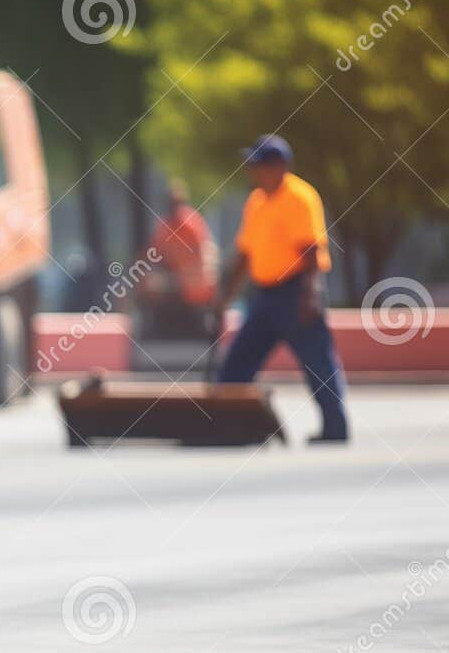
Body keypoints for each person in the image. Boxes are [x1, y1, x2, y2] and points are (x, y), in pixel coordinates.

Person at [216, 134, 348, 444]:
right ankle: (227, 423)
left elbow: (312, 252)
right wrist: (225, 297)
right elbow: (245, 254)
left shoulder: (300, 197)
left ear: (280, 166)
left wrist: (310, 294)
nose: (253, 172)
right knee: (238, 360)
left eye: (259, 165)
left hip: (297, 292)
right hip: (265, 296)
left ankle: (335, 429)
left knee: (317, 362)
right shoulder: (257, 202)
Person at [136, 180, 217, 340]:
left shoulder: (191, 223)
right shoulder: (165, 225)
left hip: (193, 282)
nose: (172, 208)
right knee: (148, 283)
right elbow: (154, 253)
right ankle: (152, 335)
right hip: (176, 279)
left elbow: (200, 257)